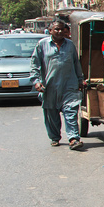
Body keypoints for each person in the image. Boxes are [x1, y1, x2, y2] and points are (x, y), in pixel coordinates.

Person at [30, 20, 86, 149]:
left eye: (61, 29)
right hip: (50, 86)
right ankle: (54, 137)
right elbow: (35, 64)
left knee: (71, 112)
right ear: (50, 31)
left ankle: (73, 138)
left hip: (69, 85)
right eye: (56, 29)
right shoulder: (42, 45)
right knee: (51, 114)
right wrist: (36, 81)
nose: (59, 32)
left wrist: (80, 80)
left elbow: (76, 63)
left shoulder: (70, 45)